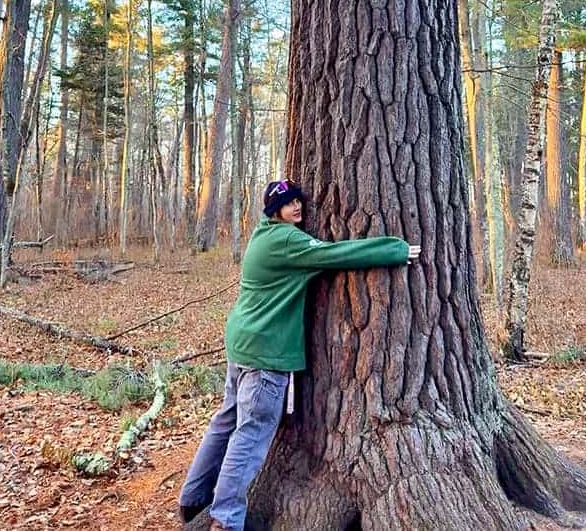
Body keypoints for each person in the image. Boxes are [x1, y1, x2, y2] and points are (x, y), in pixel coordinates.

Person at [179, 178, 421, 531]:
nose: (297, 207)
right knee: (250, 432)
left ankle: (193, 498)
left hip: (242, 343)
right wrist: (394, 250)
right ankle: (225, 519)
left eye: (298, 201)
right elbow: (334, 255)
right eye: (288, 203)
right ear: (273, 209)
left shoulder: (262, 236)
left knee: (226, 422)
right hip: (264, 354)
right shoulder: (287, 240)